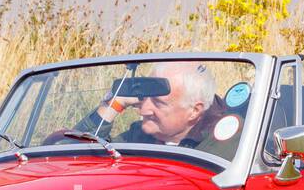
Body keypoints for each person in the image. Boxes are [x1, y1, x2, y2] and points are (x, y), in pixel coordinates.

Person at [70, 61, 241, 158]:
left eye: (158, 103)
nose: (143, 110)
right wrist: (113, 105)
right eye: (144, 98)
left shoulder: (226, 136)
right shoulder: (142, 134)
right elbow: (71, 159)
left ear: (194, 111)